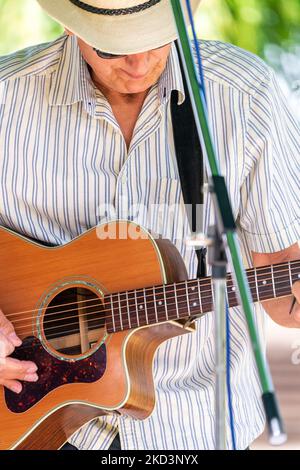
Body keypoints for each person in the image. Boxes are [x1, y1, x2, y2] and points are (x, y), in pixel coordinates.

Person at [0, 0, 299, 451]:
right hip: (34, 426)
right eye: (112, 49)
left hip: (193, 426)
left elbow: (283, 289)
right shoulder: (7, 97)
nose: (138, 64)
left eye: (153, 39)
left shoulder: (243, 94)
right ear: (73, 25)